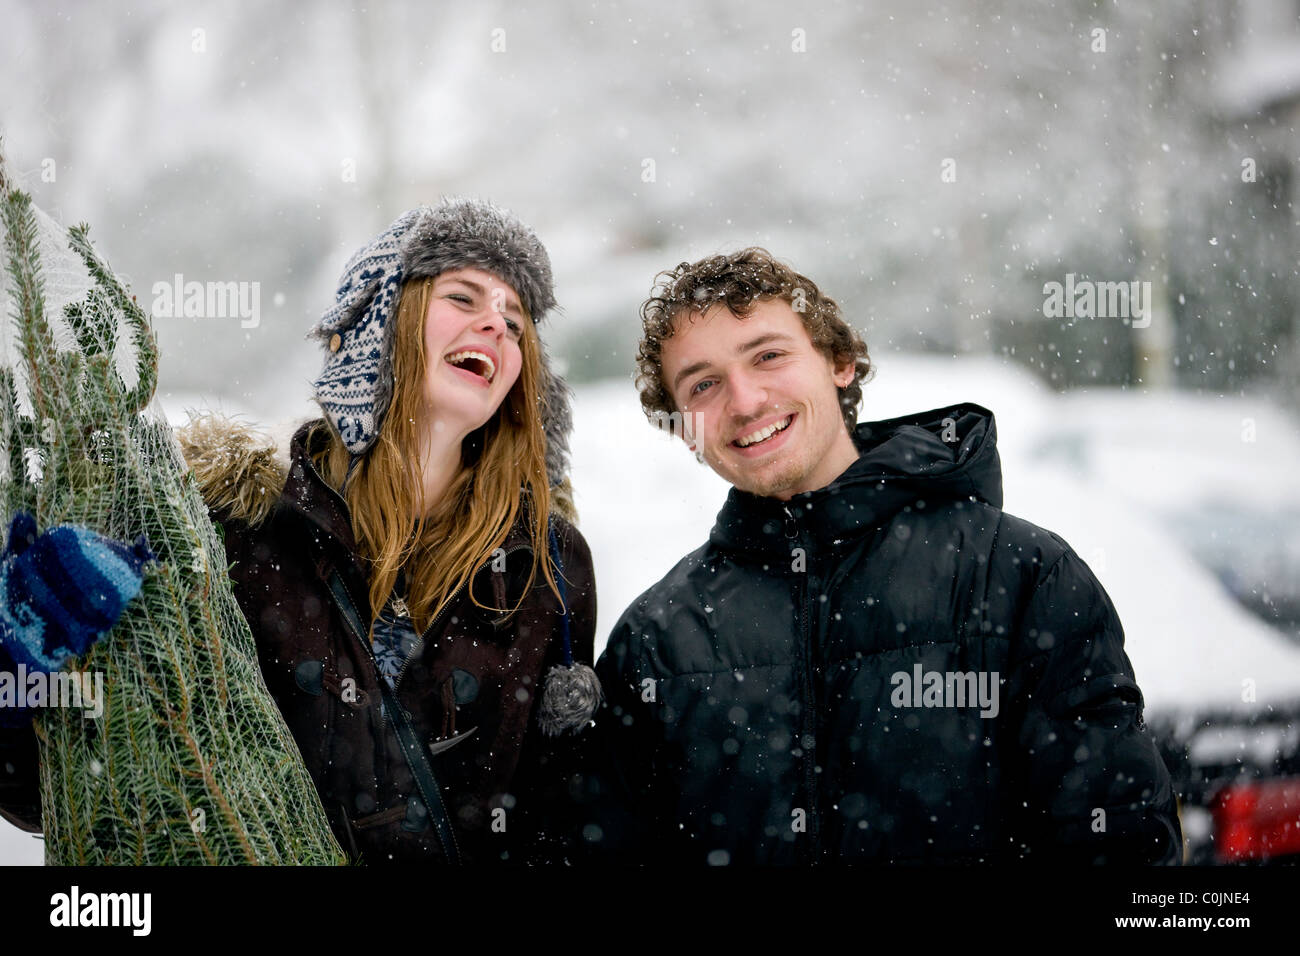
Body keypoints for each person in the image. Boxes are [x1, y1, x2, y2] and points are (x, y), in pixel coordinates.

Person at [0, 199, 602, 865]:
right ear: (379, 325)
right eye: (463, 297)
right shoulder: (236, 534)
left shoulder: (544, 565)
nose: (497, 324)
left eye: (516, 324)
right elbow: (104, 799)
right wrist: (21, 664)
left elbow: (563, 823)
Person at [583, 247, 1182, 864]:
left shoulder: (1016, 573)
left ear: (838, 362)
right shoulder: (653, 642)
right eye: (703, 384)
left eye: (768, 355)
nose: (744, 401)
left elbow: (1120, 848)